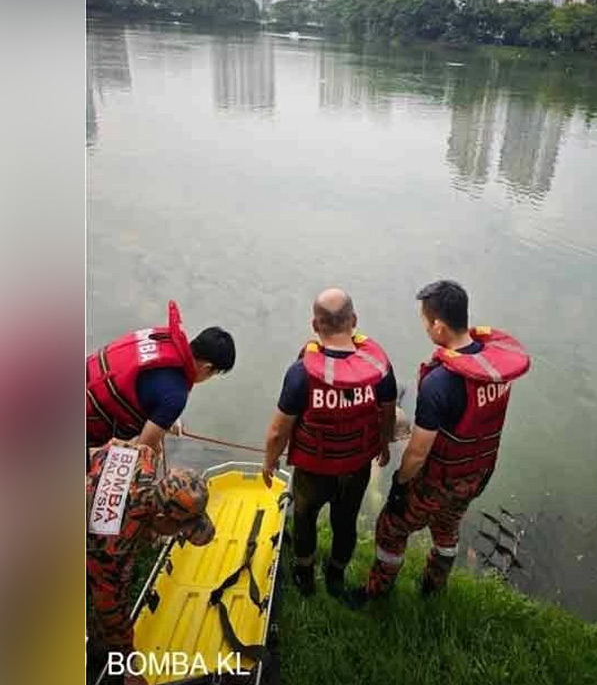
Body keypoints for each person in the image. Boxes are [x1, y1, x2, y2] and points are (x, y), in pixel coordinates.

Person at [347, 280, 530, 605]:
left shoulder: (440, 383)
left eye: (424, 320)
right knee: (448, 528)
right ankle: (433, 588)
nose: (424, 327)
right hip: (476, 474)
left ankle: (375, 593)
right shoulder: (493, 370)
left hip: (439, 479)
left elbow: (418, 452)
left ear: (439, 325)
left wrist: (401, 485)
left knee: (391, 529)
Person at [261, 289, 397, 598]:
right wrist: (385, 446)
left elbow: (278, 431)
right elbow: (387, 413)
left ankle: (305, 575)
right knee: (345, 522)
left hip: (313, 471)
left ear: (315, 325)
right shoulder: (379, 368)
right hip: (356, 467)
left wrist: (270, 461)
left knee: (305, 519)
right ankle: (335, 576)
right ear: (354, 321)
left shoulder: (301, 374)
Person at [87, 440, 215, 685]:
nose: (177, 535)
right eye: (179, 530)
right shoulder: (114, 543)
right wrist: (128, 665)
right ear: (160, 516)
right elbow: (110, 606)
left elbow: (111, 446)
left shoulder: (143, 456)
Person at [86, 300, 236, 455]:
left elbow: (150, 385)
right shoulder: (175, 396)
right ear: (207, 368)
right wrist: (156, 447)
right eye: (214, 373)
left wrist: (165, 420)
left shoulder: (160, 337)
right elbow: (141, 450)